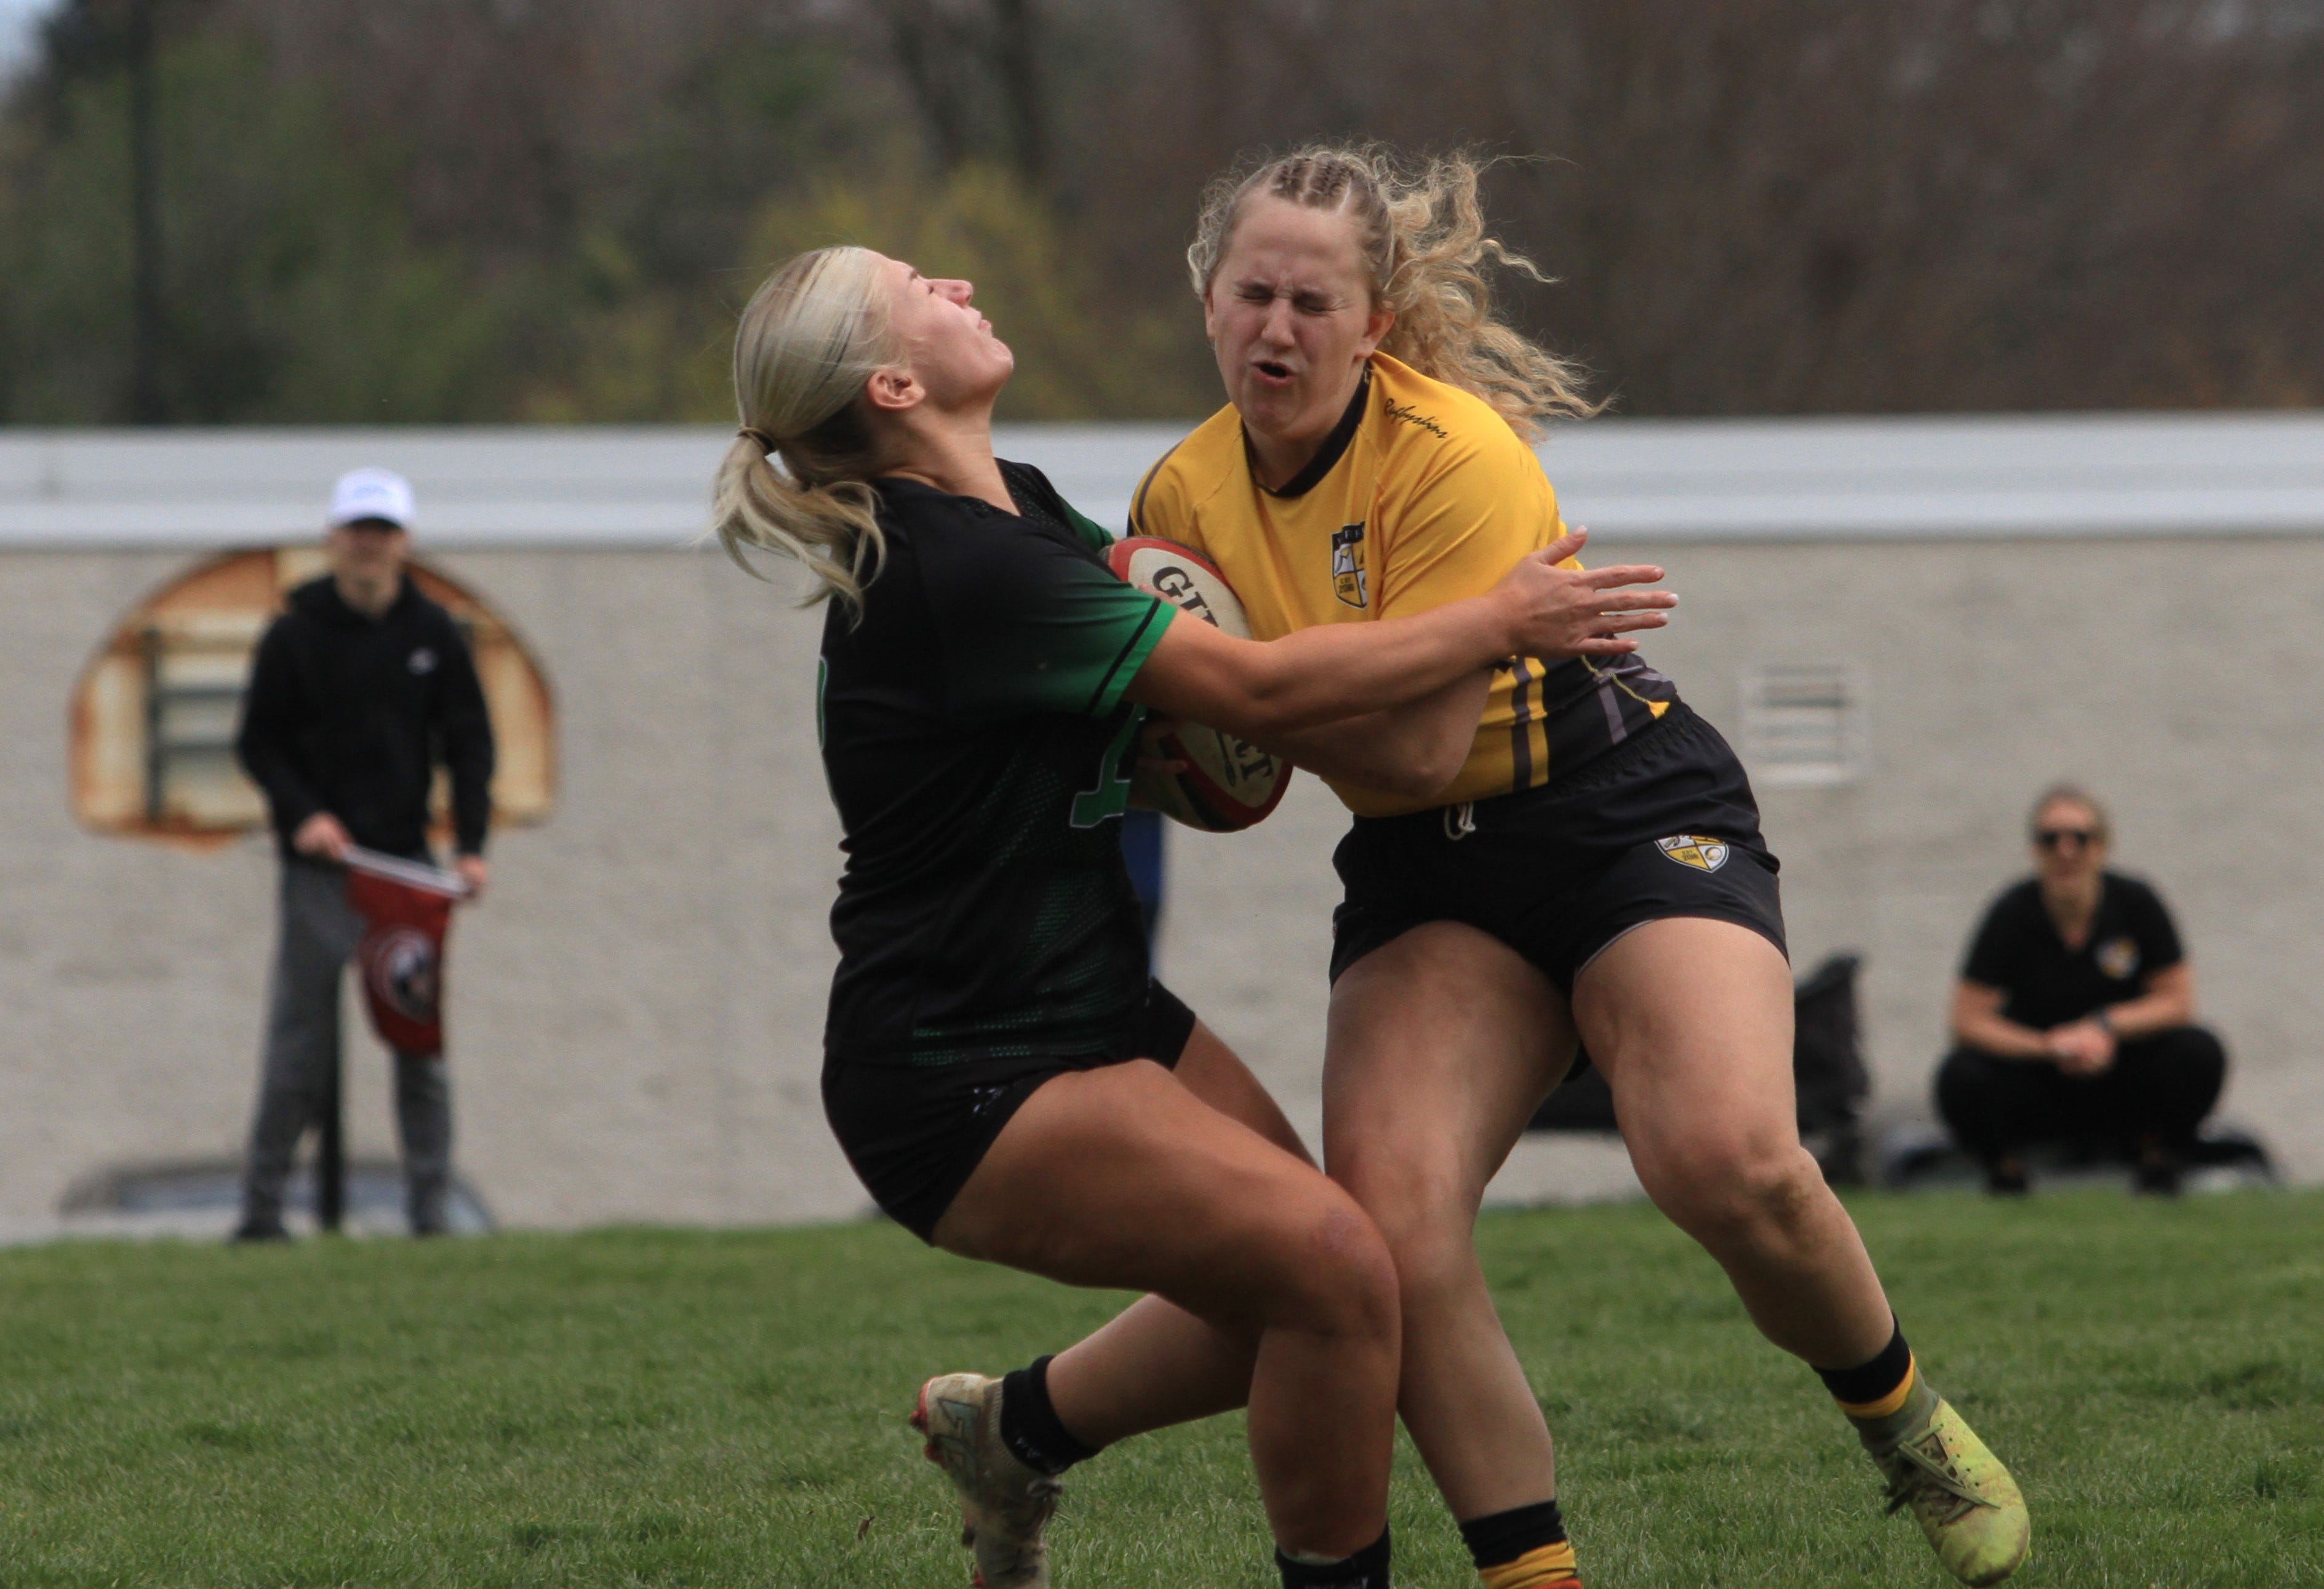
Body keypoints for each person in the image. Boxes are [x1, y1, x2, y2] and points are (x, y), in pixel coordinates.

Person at [973, 147, 2024, 1589]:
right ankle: (1536, 1579)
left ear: (1374, 324)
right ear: (1205, 302)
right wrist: (1185, 754)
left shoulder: (1454, 454)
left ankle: (1898, 1422)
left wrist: (1255, 698)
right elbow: (1257, 788)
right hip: (1426, 876)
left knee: (1724, 1160)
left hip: (1613, 808)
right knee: (1386, 1244)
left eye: (1311, 301)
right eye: (1251, 294)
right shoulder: (1183, 495)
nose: (1275, 329)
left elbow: (1406, 750)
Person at [709, 245, 1672, 1589]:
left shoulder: (1016, 514)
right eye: (916, 285)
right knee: (1333, 1272)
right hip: (958, 1070)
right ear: (893, 378)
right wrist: (1496, 618)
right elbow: (1260, 693)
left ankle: (1012, 1430)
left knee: (1334, 1282)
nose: (956, 282)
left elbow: (1178, 730)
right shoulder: (959, 571)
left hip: (1092, 1011)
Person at [231, 468, 493, 1240]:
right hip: (321, 873)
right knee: (297, 1049)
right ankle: (262, 1215)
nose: (368, 546)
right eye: (356, 531)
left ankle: (431, 1216)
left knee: (419, 1046)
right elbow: (258, 744)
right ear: (333, 540)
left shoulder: (435, 634)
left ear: (403, 542)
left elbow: (470, 746)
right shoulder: (294, 634)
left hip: (405, 869)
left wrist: (471, 849)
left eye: (382, 532)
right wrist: (304, 815)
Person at [1936, 784, 2227, 1195]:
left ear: (2102, 846)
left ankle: (2158, 1161)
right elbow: (1966, 1020)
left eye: (2080, 837)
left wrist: (2103, 1027)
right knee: (1960, 1074)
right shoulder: (2011, 912)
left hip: (2120, 1077)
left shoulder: (2136, 902)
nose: (2065, 850)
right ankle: (2006, 1171)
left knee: (2198, 1050)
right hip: (2040, 1079)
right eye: (2050, 839)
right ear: (2034, 850)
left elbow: (2177, 1001)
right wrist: (2047, 1045)